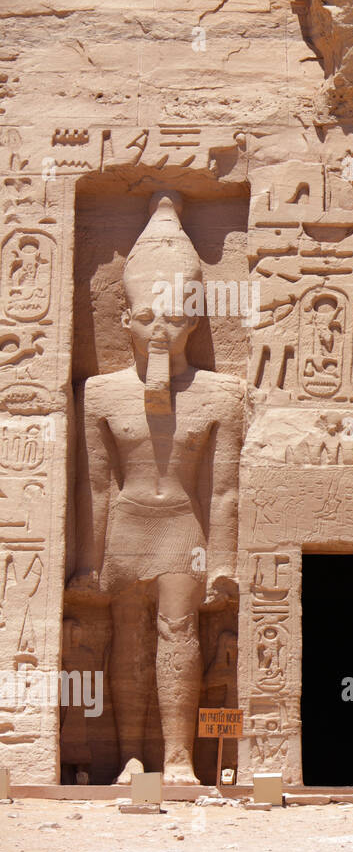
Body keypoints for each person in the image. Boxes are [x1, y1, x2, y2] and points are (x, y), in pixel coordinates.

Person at [68, 192, 243, 785]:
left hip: (182, 528)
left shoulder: (220, 394)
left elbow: (223, 492)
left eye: (172, 317)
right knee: (125, 638)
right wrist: (88, 562)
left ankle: (175, 759)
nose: (160, 331)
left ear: (193, 318)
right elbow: (95, 483)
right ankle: (131, 758)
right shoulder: (100, 393)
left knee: (178, 630)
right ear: (127, 322)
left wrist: (221, 561)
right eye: (147, 318)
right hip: (125, 525)